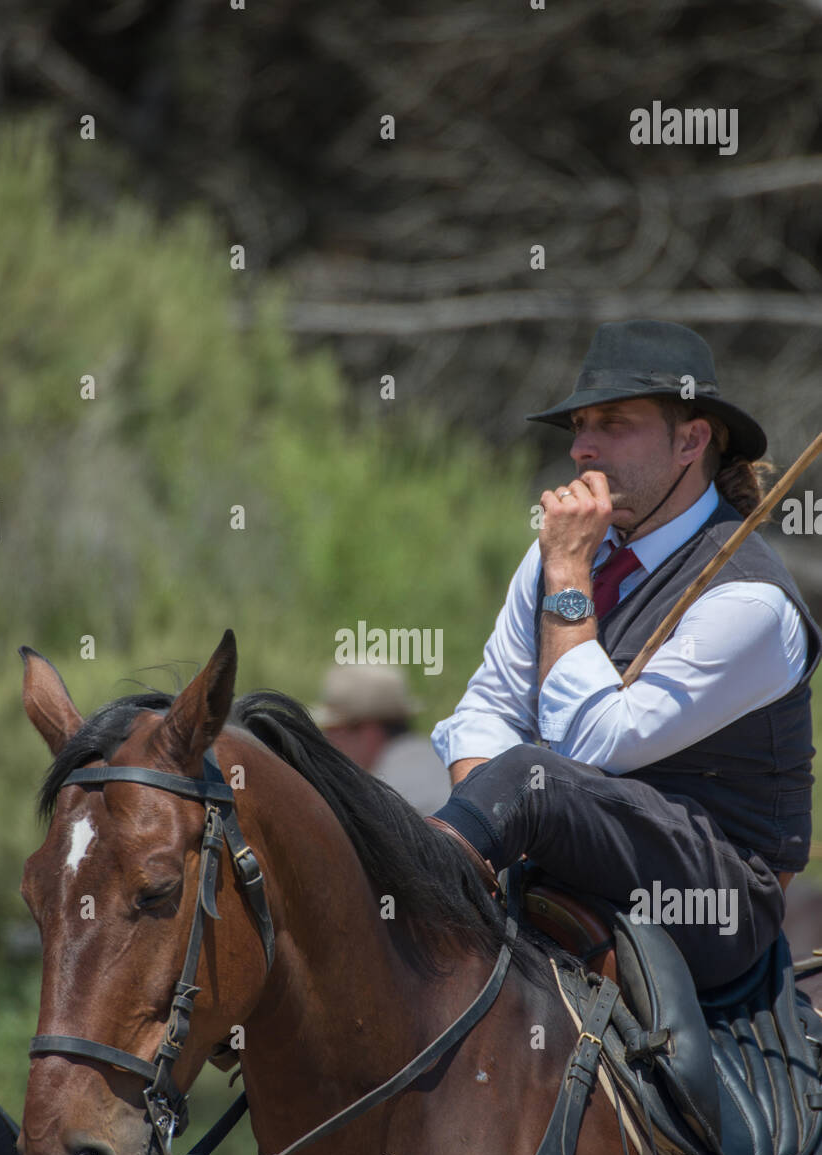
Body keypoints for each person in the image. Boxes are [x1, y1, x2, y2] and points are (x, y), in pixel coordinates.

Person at [428, 319, 821, 992]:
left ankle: (411, 894)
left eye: (612, 423)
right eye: (580, 425)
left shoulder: (750, 603)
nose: (581, 448)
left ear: (689, 441)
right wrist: (488, 822)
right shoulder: (560, 552)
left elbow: (592, 746)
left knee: (533, 778)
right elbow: (486, 709)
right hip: (560, 844)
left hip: (716, 895)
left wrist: (569, 578)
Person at [312, 664, 450, 816]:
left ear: (368, 731)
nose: (328, 740)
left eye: (333, 730)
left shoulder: (382, 790)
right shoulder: (439, 755)